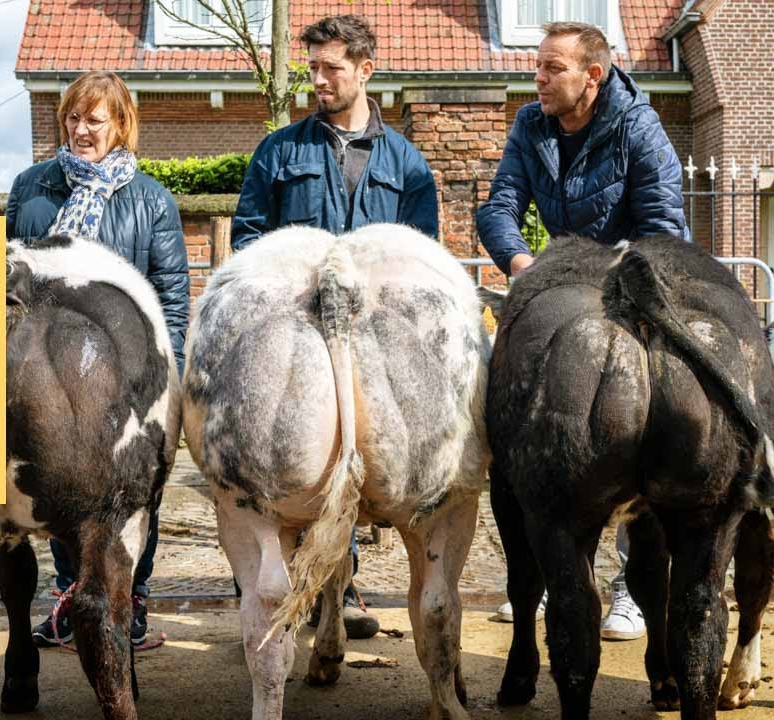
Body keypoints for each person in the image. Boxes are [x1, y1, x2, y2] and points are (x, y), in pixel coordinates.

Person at [231, 14, 438, 640]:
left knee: (371, 467)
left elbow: (422, 255)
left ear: (365, 70)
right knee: (306, 465)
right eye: (311, 68)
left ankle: (339, 590)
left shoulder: (406, 163)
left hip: (375, 346)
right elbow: (246, 239)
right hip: (298, 338)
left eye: (331, 68)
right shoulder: (279, 150)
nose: (317, 80)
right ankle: (316, 592)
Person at [477, 21, 686, 641]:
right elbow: (499, 205)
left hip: (629, 287)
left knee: (642, 429)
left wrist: (608, 280)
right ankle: (546, 580)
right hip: (553, 286)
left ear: (592, 77)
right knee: (513, 422)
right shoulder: (530, 124)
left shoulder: (638, 128)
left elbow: (663, 228)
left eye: (550, 69)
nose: (536, 79)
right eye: (536, 67)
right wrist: (518, 261)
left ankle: (631, 589)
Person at [6, 70, 189, 650]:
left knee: (135, 497)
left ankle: (126, 602)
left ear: (121, 124)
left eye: (94, 119)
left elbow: (171, 296)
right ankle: (69, 599)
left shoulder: (150, 200)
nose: (80, 130)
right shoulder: (31, 188)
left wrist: (164, 381)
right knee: (59, 492)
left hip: (128, 378)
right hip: (48, 377)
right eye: (72, 118)